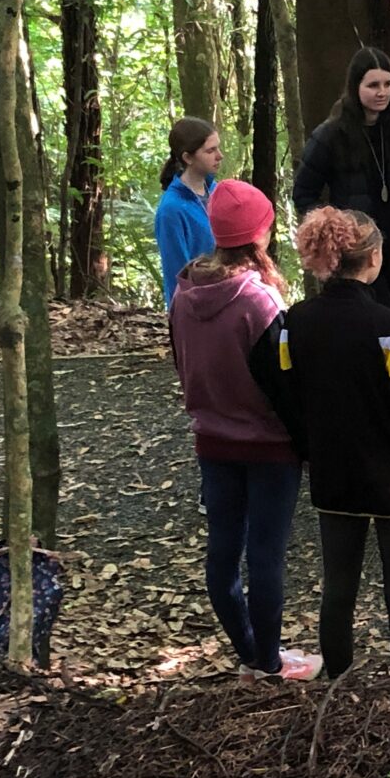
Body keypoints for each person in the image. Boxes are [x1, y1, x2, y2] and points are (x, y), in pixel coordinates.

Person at [266, 206, 390, 679]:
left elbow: (286, 392)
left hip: (333, 476)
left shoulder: (294, 323)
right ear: (375, 257)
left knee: (337, 590)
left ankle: (337, 686)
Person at [168, 180, 319, 681]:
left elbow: (180, 362)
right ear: (260, 234)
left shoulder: (185, 291)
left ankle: (250, 653)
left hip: (212, 440)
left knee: (224, 549)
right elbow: (287, 380)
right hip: (269, 446)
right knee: (265, 556)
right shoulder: (260, 302)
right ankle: (270, 662)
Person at [293, 48, 390, 316]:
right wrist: (334, 234)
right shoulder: (331, 135)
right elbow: (304, 193)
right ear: (356, 87)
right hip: (353, 256)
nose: (382, 92)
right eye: (373, 85)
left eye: (388, 84)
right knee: (359, 322)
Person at [154, 116, 221, 308]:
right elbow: (177, 275)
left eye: (218, 147)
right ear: (188, 157)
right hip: (194, 312)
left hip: (224, 302)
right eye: (210, 150)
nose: (219, 155)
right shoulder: (171, 210)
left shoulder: (217, 192)